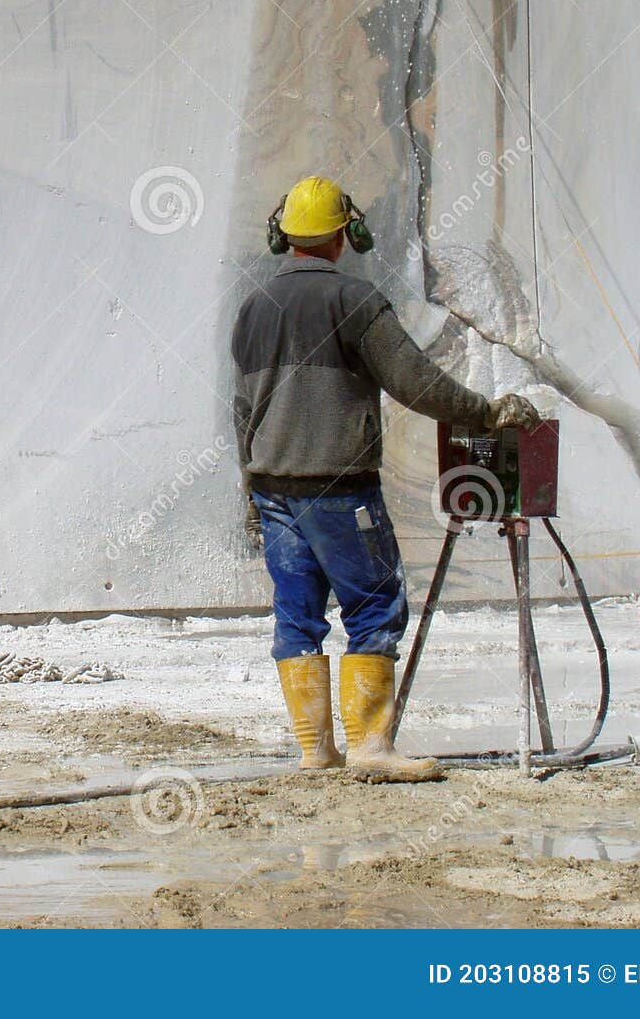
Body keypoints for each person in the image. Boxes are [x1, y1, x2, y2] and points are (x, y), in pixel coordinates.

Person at [231, 175, 540, 782]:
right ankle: (371, 747)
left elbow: (241, 409)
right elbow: (416, 382)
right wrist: (486, 412)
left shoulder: (252, 308)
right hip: (340, 488)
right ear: (345, 235)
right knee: (374, 605)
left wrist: (249, 491)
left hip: (274, 488)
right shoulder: (355, 300)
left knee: (297, 617)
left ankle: (315, 753)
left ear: (285, 236)